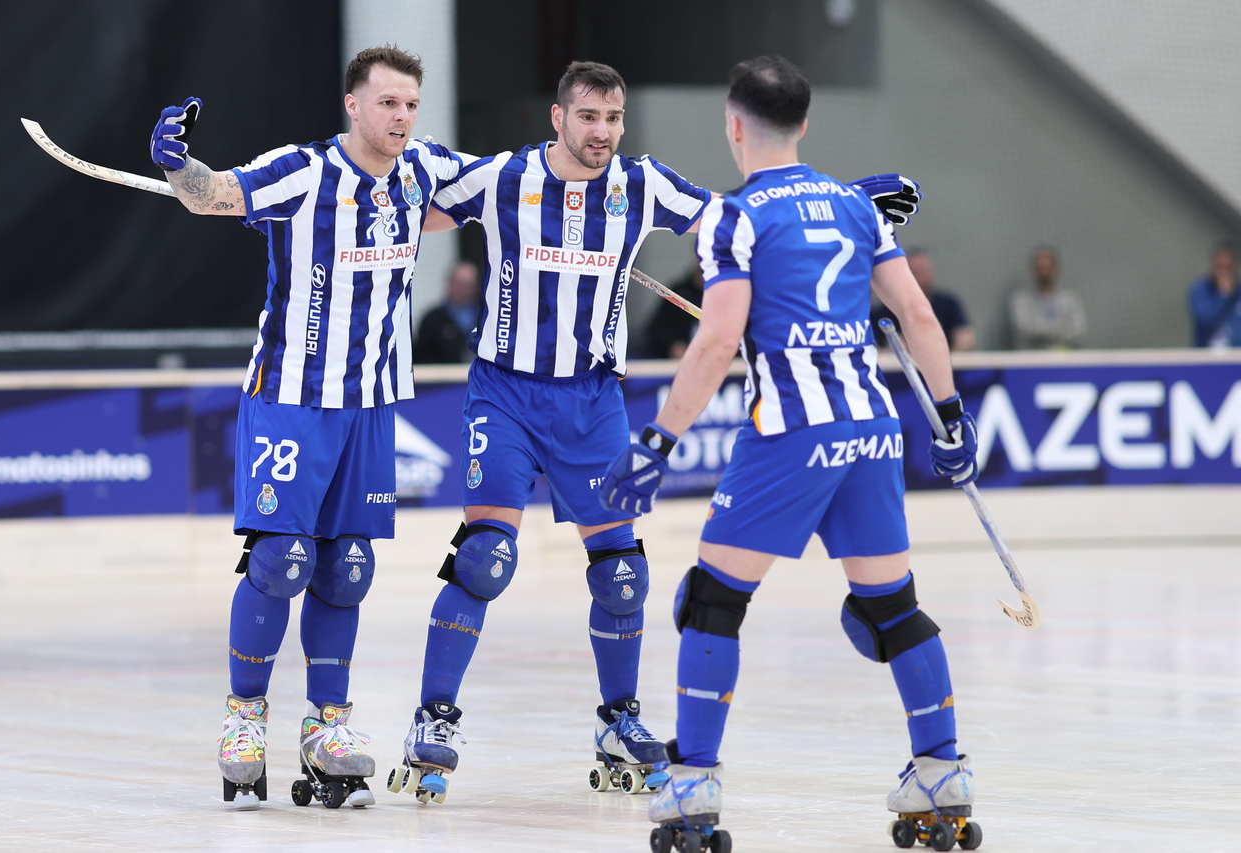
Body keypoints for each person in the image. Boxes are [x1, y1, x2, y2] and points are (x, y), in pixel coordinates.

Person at [385, 60, 923, 803]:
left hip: (594, 400)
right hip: (505, 394)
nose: (602, 133)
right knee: (485, 558)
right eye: (588, 118)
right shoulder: (503, 179)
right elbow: (405, 197)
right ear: (558, 118)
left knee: (622, 574)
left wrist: (850, 202)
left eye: (613, 119)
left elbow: (748, 218)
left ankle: (618, 719)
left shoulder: (643, 186)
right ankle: (433, 715)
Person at [599, 56, 979, 849]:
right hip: (872, 429)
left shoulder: (735, 219)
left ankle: (694, 780)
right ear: (804, 124)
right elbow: (919, 317)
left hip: (794, 433)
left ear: (733, 126)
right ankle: (941, 770)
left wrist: (657, 441)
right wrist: (947, 419)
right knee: (891, 607)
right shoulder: (857, 207)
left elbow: (715, 342)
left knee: (711, 601)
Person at [149, 44, 472, 810]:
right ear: (354, 105)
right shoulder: (304, 171)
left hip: (371, 399)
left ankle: (328, 725)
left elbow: (505, 185)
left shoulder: (424, 170)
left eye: (411, 105)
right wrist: (175, 163)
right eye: (387, 103)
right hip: (291, 394)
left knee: (347, 565)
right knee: (281, 559)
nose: (401, 117)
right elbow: (213, 196)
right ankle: (244, 718)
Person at [871, 249, 974, 351]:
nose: (919, 276)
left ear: (932, 272)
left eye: (923, 270)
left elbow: (965, 336)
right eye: (914, 271)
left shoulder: (949, 304)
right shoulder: (885, 310)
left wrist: (950, 361)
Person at [1008, 246, 1086, 349]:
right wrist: (1060, 333)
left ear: (1055, 269)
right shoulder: (1020, 301)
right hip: (1032, 361)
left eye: (1047, 267)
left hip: (1065, 360)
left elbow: (1078, 331)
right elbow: (1025, 330)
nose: (1044, 273)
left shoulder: (1070, 300)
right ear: (1034, 270)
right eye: (1040, 268)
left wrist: (1047, 333)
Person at [415, 261, 481, 363]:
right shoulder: (432, 320)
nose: (465, 290)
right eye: (461, 284)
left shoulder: (488, 317)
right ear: (450, 283)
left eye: (469, 285)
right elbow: (422, 358)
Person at [644, 260, 703, 358]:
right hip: (679, 360)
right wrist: (673, 345)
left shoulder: (726, 296)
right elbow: (657, 328)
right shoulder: (678, 294)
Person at [1188, 243, 1241, 348]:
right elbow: (1205, 319)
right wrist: (1223, 295)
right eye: (1220, 267)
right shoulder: (1200, 291)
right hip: (1208, 357)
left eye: (1227, 267)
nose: (1223, 273)